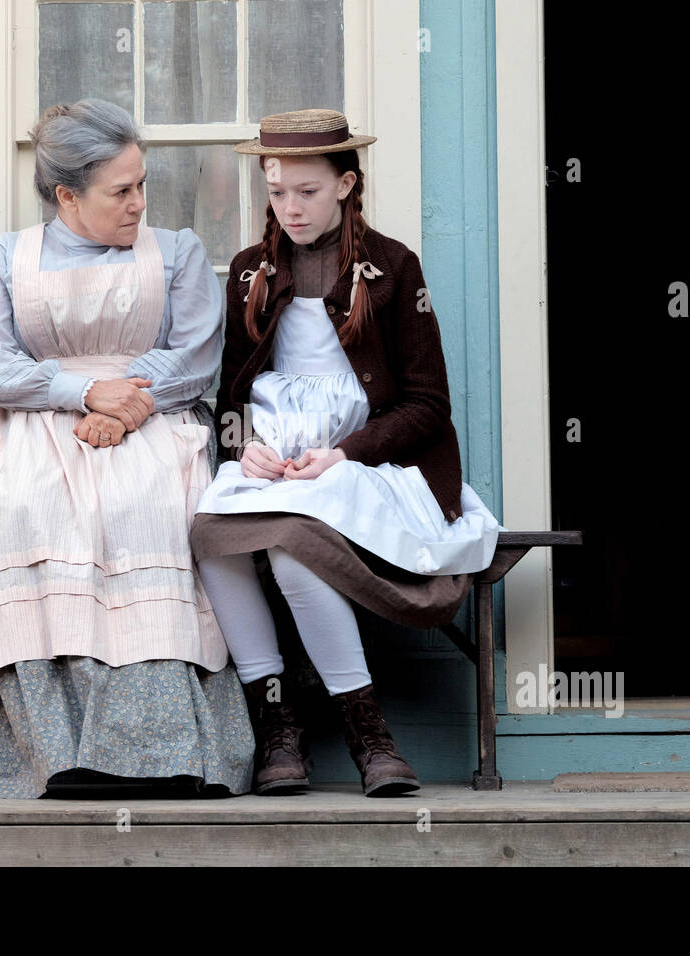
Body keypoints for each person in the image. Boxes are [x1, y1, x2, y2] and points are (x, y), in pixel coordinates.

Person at [0, 98, 254, 798]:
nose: (138, 203)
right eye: (120, 191)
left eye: (142, 185)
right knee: (12, 503)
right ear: (67, 195)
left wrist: (125, 407)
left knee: (150, 501)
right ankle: (49, 756)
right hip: (37, 425)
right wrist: (83, 393)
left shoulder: (177, 252)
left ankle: (165, 757)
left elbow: (195, 359)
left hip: (156, 421)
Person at [191, 109, 503, 797]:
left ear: (345, 184)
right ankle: (275, 717)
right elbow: (233, 400)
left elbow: (428, 405)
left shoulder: (392, 269)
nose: (290, 207)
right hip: (282, 468)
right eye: (277, 192)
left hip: (367, 465)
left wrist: (345, 454)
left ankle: (367, 729)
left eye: (307, 190)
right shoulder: (250, 273)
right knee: (211, 538)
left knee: (289, 547)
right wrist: (247, 453)